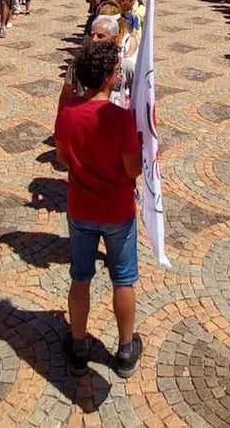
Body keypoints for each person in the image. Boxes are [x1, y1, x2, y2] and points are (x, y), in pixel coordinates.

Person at [54, 41, 143, 379]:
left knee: (80, 277)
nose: (120, 74)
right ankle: (124, 350)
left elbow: (62, 158)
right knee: (123, 279)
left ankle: (78, 344)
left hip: (81, 206)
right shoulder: (119, 119)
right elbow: (132, 170)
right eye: (117, 70)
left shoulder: (69, 113)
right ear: (107, 77)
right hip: (117, 209)